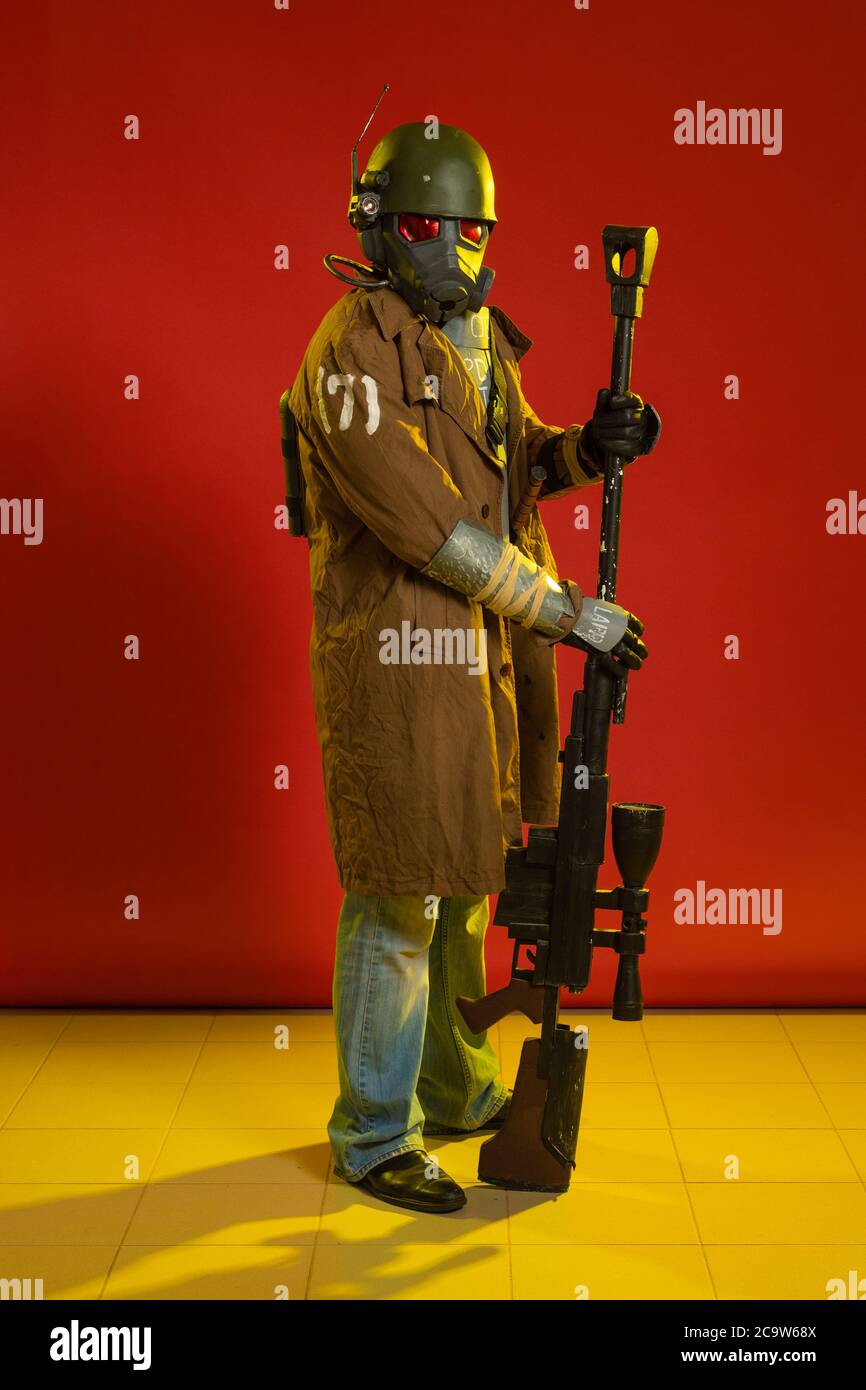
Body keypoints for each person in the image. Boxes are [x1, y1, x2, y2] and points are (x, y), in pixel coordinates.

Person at [286, 120, 660, 1214]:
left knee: (461, 890)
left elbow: (509, 469)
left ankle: (454, 1087)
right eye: (425, 227)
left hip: (483, 666)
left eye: (470, 229)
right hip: (395, 661)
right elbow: (432, 528)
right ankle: (370, 1136)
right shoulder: (349, 350)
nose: (451, 249)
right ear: (376, 225)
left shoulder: (476, 336)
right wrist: (565, 610)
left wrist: (583, 449)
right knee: (400, 896)